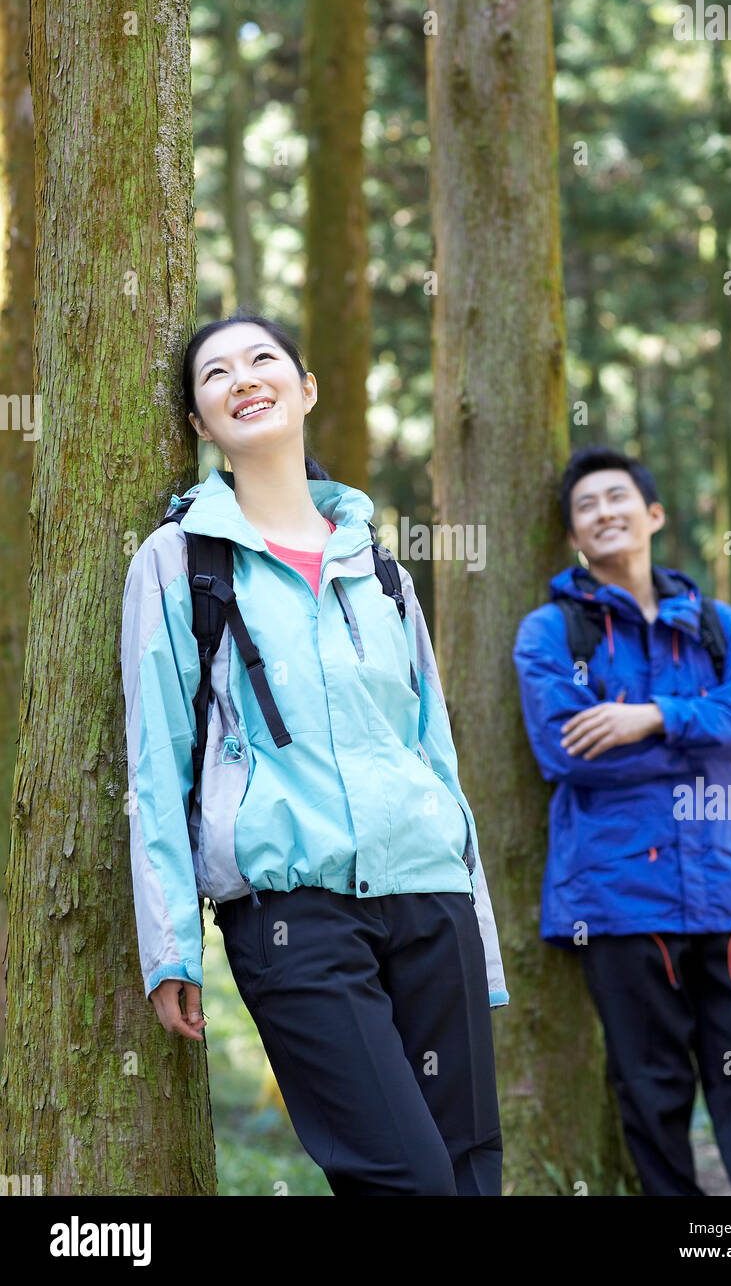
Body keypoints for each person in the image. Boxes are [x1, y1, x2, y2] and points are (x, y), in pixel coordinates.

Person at [121, 311, 508, 1196]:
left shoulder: (379, 566)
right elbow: (156, 760)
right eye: (215, 374)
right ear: (197, 422)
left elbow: (434, 753)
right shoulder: (179, 562)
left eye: (264, 360)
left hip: (430, 898)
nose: (242, 378)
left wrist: (478, 933)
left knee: (470, 1173)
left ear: (307, 390)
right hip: (292, 919)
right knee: (405, 1178)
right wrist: (171, 946)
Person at [512, 445, 731, 1197]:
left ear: (653, 515)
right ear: (574, 536)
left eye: (618, 498)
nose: (604, 512)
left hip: (728, 894)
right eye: (586, 506)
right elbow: (569, 751)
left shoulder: (716, 624)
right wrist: (706, 733)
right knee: (651, 1090)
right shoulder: (551, 633)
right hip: (617, 902)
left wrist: (651, 717)